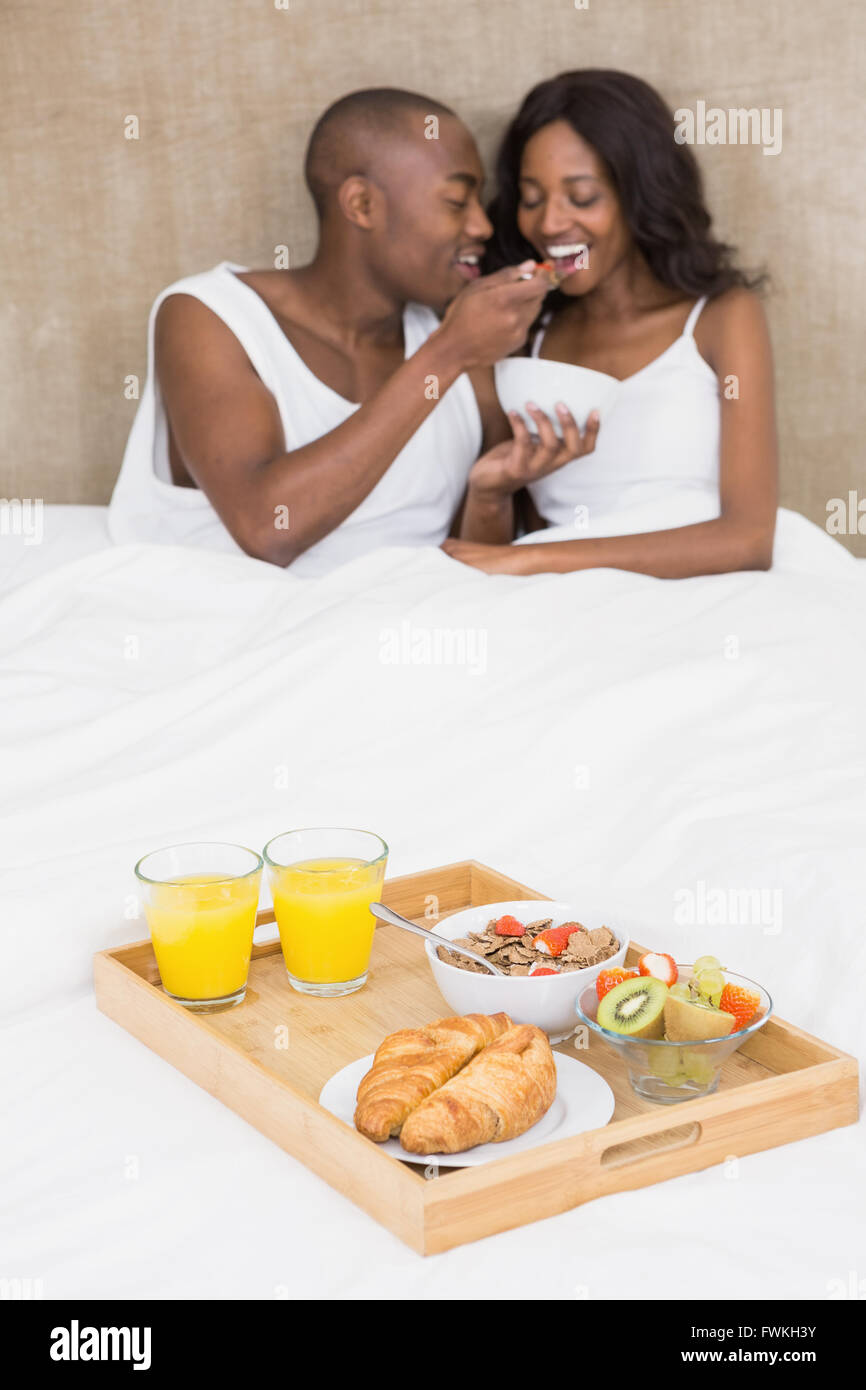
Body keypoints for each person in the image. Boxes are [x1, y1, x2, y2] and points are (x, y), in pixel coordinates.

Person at [108, 88, 571, 575]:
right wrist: (448, 353)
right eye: (457, 201)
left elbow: (468, 572)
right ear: (362, 204)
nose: (481, 225)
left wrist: (489, 496)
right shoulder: (210, 316)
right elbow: (268, 528)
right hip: (233, 635)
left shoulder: (468, 358)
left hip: (399, 637)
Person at [445, 69, 779, 579]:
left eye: (581, 197)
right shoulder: (522, 338)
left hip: (709, 597)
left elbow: (748, 541)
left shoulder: (720, 318)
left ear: (638, 195)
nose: (550, 223)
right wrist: (490, 495)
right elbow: (487, 567)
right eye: (531, 199)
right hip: (566, 611)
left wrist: (536, 558)